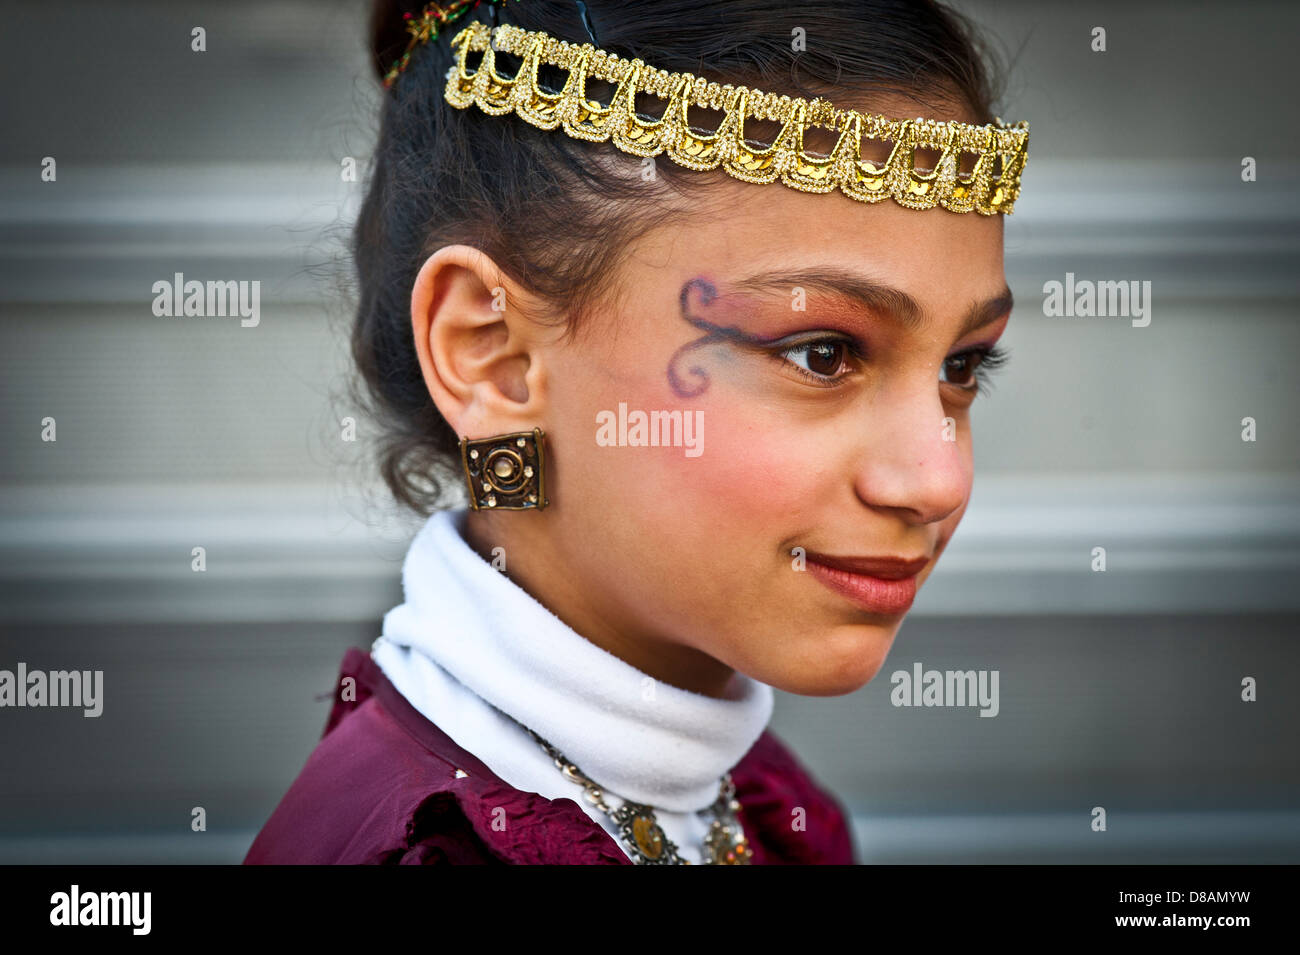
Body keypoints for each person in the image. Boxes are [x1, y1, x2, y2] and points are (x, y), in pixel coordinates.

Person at [245, 0, 1027, 865]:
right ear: (494, 355)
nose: (936, 481)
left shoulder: (755, 804)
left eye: (963, 367)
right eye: (822, 353)